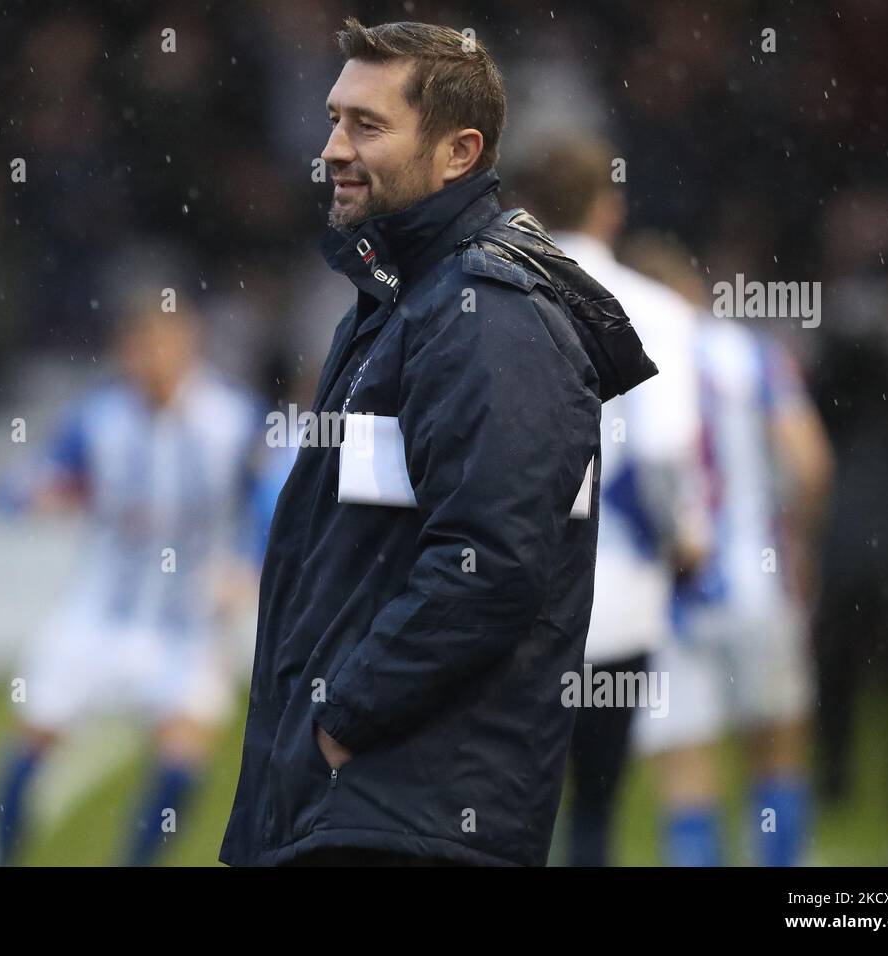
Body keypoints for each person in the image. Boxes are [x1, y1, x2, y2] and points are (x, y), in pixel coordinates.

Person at [219, 19, 656, 868]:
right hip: (358, 810)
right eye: (334, 118)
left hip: (407, 820)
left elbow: (490, 565)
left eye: (367, 126)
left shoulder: (490, 315)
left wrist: (342, 721)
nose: (333, 148)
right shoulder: (402, 299)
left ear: (460, 152)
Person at [0, 296, 266, 866]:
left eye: (166, 347)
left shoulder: (231, 418)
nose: (153, 361)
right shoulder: (99, 418)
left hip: (187, 621)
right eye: (142, 348)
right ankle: (1, 857)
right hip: (99, 613)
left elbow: (273, 496)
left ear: (190, 348)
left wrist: (247, 564)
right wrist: (40, 494)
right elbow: (17, 487)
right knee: (32, 739)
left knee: (183, 757)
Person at [512, 136, 708, 866]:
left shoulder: (484, 294)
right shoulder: (656, 309)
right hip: (616, 590)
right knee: (593, 808)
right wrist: (687, 543)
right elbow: (661, 458)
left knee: (496, 808)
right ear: (609, 206)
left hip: (502, 585)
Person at [622, 234, 833, 866]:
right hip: (757, 584)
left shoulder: (626, 366)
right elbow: (810, 463)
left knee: (687, 771)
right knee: (776, 756)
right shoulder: (751, 355)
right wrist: (800, 544)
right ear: (694, 286)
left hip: (670, 597)